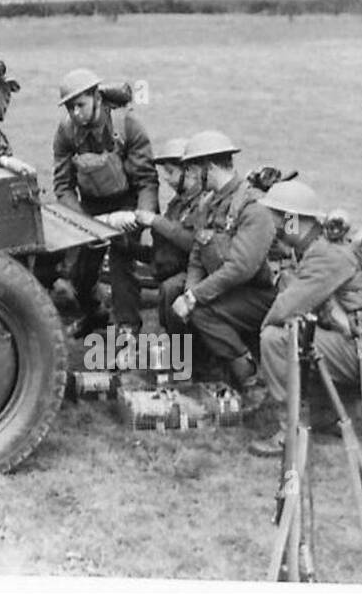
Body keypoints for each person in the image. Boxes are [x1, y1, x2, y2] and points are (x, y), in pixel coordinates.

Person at [248, 181, 362, 457]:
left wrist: (263, 329)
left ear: (292, 220)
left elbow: (287, 307)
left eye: (277, 218)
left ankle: (288, 433)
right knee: (305, 332)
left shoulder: (325, 254)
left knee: (275, 339)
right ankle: (330, 413)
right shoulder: (324, 245)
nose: (273, 227)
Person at [170, 130, 276, 407]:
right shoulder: (209, 202)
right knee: (172, 292)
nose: (191, 177)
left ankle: (252, 381)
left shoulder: (254, 207)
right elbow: (196, 251)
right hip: (230, 289)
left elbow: (241, 267)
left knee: (202, 311)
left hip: (262, 295)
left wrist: (194, 298)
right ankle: (200, 366)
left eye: (194, 169)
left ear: (211, 167)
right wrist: (190, 289)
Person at [52, 68, 158, 336]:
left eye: (80, 105)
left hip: (127, 201)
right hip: (89, 208)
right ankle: (95, 314)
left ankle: (127, 330)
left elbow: (146, 179)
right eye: (69, 107)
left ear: (96, 98)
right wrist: (84, 225)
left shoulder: (127, 125)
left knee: (123, 267)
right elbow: (63, 187)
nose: (75, 113)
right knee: (77, 271)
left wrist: (142, 217)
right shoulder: (66, 132)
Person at [131, 137, 204, 333]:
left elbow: (192, 243)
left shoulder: (202, 204)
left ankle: (189, 354)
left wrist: (155, 221)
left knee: (171, 289)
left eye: (171, 172)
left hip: (195, 273)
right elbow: (160, 253)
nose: (168, 179)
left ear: (189, 171)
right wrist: (126, 246)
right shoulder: (177, 204)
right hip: (171, 272)